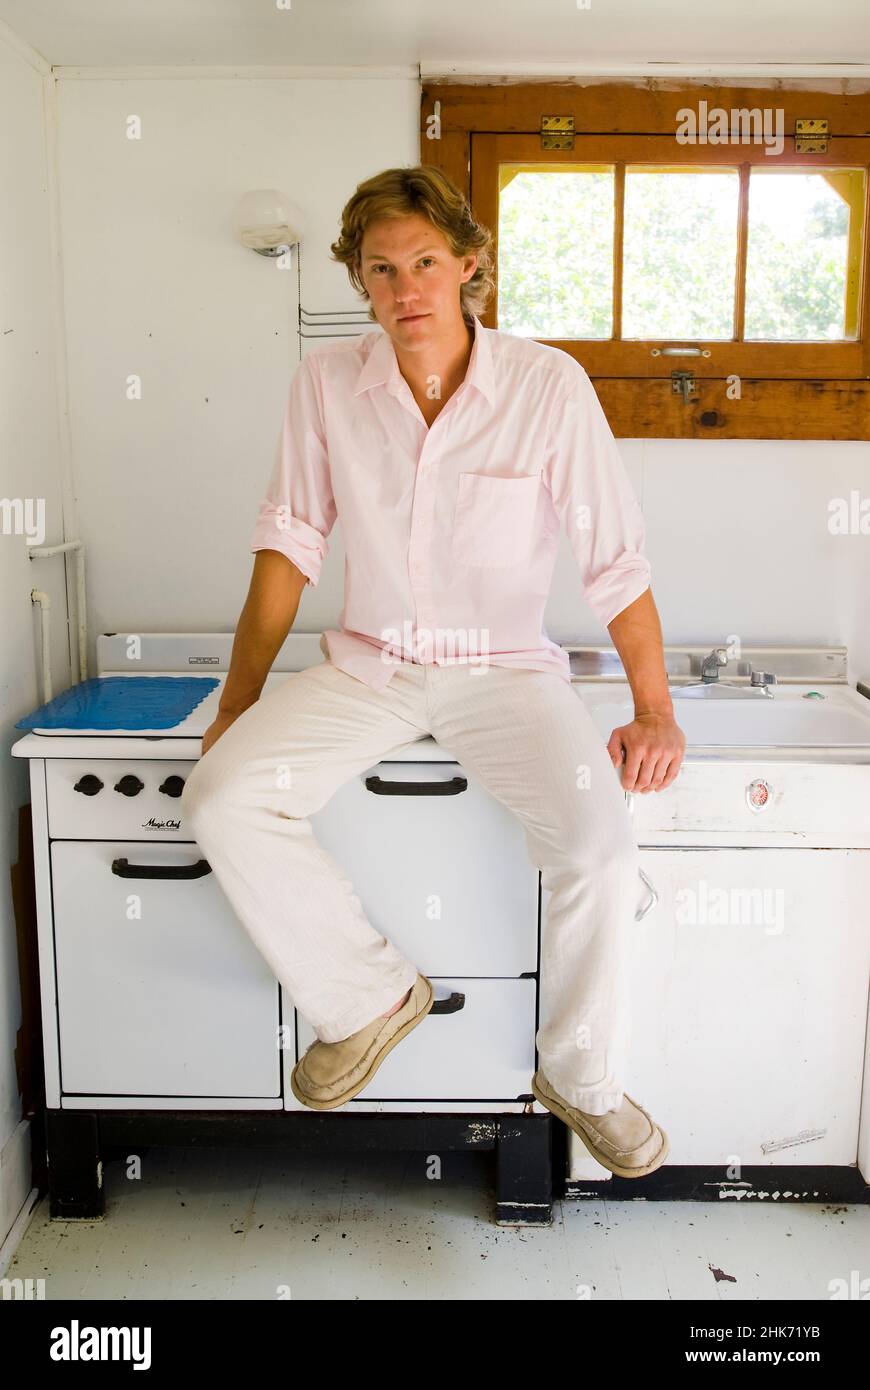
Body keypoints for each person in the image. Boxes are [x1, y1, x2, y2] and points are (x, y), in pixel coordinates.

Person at [180, 165, 686, 1179]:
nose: (405, 288)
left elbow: (614, 560)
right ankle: (369, 997)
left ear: (468, 266)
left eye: (423, 263)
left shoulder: (547, 388)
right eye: (380, 269)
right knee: (223, 798)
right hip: (370, 666)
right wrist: (236, 706)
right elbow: (288, 548)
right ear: (358, 282)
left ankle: (581, 1075)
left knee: (598, 841)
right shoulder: (324, 385)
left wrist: (654, 706)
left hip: (506, 675)